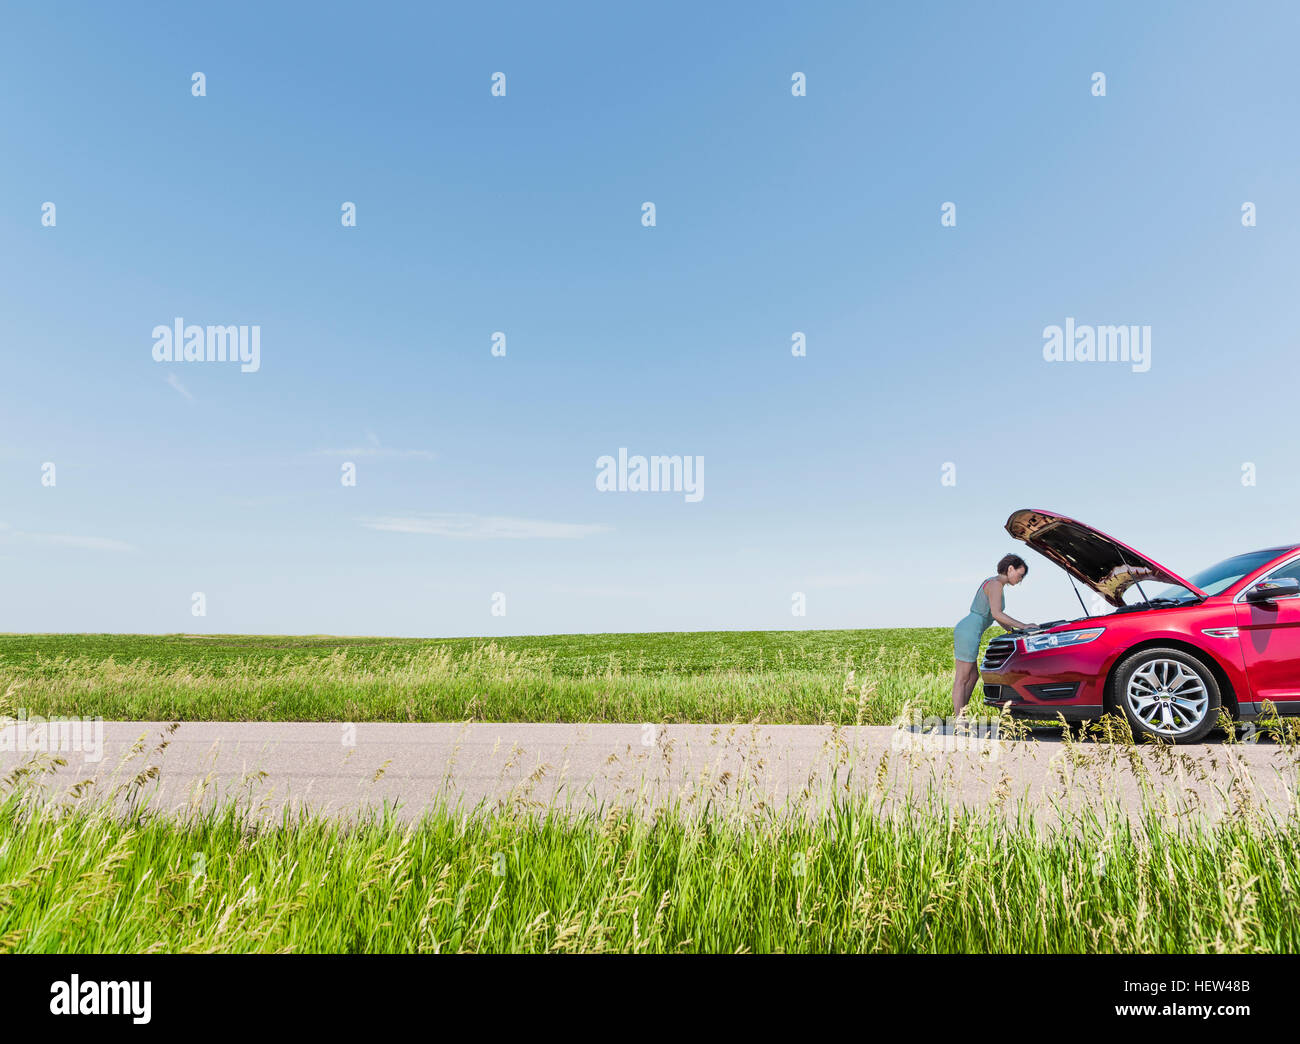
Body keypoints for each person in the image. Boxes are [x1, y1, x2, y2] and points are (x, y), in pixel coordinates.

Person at [952, 554, 1033, 714]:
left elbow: (997, 615)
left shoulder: (996, 584)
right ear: (1010, 569)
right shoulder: (995, 584)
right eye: (1020, 575)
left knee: (973, 676)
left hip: (970, 631)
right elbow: (997, 614)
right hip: (968, 632)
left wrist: (1012, 631)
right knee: (962, 678)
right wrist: (1023, 625)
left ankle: (961, 714)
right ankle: (959, 721)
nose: (1020, 579)